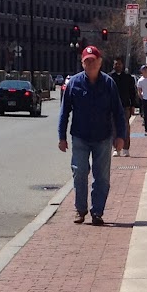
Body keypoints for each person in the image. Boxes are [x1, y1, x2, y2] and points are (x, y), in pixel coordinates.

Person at [58, 45, 128, 225]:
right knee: (79, 172)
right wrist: (62, 137)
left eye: (93, 61)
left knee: (101, 176)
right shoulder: (73, 83)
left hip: (103, 137)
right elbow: (64, 111)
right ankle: (80, 210)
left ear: (100, 62)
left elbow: (118, 112)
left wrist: (120, 136)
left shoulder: (108, 83)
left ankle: (97, 212)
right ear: (82, 63)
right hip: (80, 136)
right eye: (87, 61)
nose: (90, 64)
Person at [111, 59, 138, 156]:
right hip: (112, 106)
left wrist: (133, 105)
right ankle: (116, 148)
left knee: (126, 126)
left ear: (122, 65)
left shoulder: (128, 77)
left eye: (119, 63)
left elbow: (132, 92)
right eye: (116, 64)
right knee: (114, 127)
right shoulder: (109, 77)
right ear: (113, 65)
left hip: (125, 105)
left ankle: (126, 148)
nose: (117, 65)